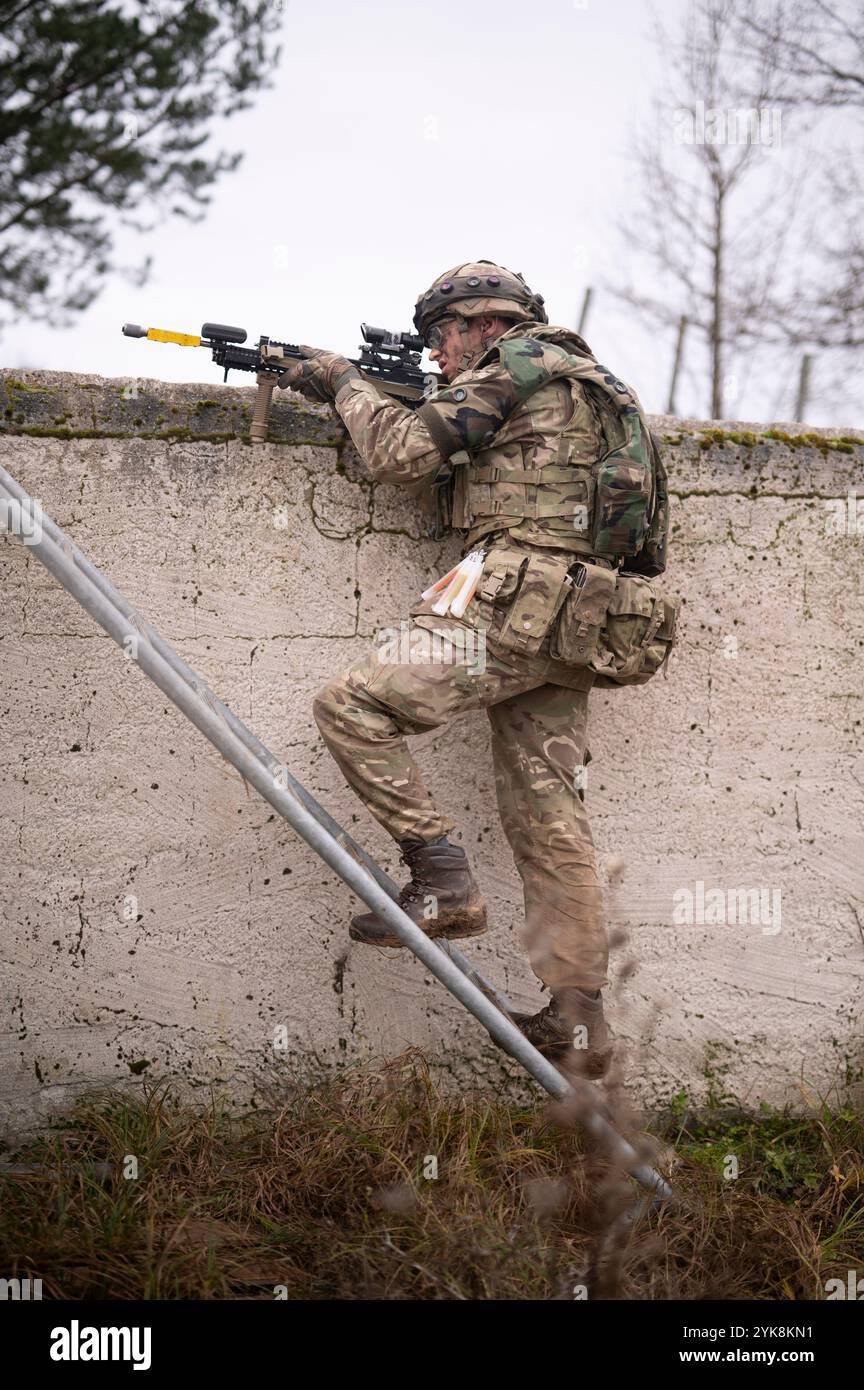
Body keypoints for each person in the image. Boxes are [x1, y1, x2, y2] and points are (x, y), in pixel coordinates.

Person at [278, 260, 660, 1078]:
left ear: (485, 322)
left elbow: (402, 453)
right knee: (550, 816)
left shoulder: (514, 366)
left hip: (510, 600)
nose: (439, 359)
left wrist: (344, 383)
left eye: (440, 339)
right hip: (581, 620)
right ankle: (580, 1018)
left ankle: (443, 879)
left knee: (353, 708)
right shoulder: (597, 384)